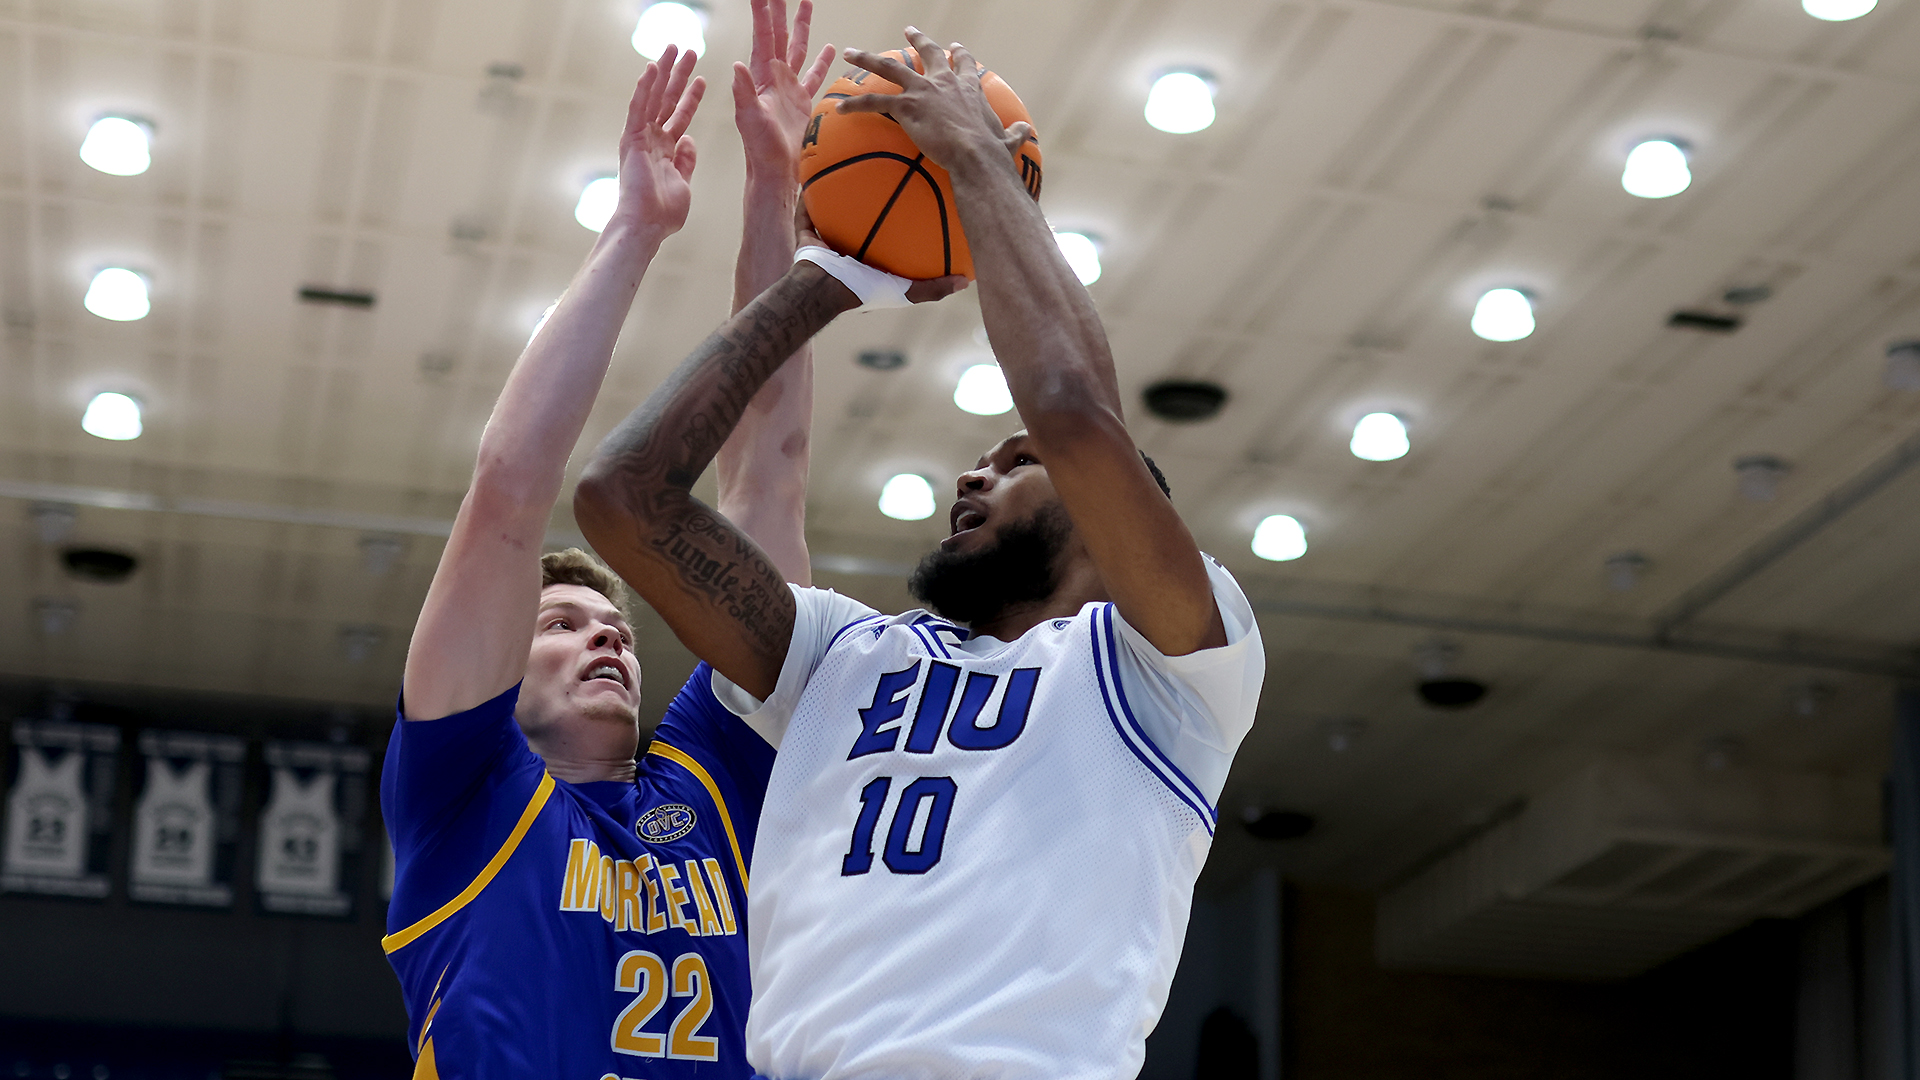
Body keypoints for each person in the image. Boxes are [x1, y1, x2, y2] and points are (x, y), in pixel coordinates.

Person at [573, 28, 1266, 1080]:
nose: (970, 476)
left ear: (1108, 505)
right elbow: (623, 498)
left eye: (1012, 460)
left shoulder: (1173, 671)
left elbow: (1076, 414)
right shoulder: (842, 656)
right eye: (978, 461)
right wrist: (830, 273)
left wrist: (982, 166)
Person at [379, 3, 835, 1074]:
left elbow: (767, 481)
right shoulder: (463, 795)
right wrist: (635, 229)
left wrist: (777, 192)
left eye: (615, 625)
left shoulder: (713, 778)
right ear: (499, 667)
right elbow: (508, 491)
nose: (609, 639)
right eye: (562, 622)